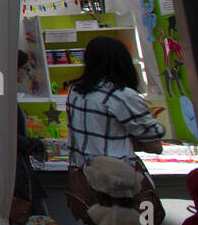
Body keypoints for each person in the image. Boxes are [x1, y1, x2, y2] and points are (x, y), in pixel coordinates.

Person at [66, 36, 164, 169]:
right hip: (115, 177)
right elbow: (154, 146)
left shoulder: (75, 91)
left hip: (82, 173)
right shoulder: (122, 96)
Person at [13, 50, 48, 225]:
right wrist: (36, 145)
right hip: (19, 175)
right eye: (25, 69)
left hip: (19, 173)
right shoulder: (2, 98)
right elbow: (6, 137)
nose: (27, 74)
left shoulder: (2, 95)